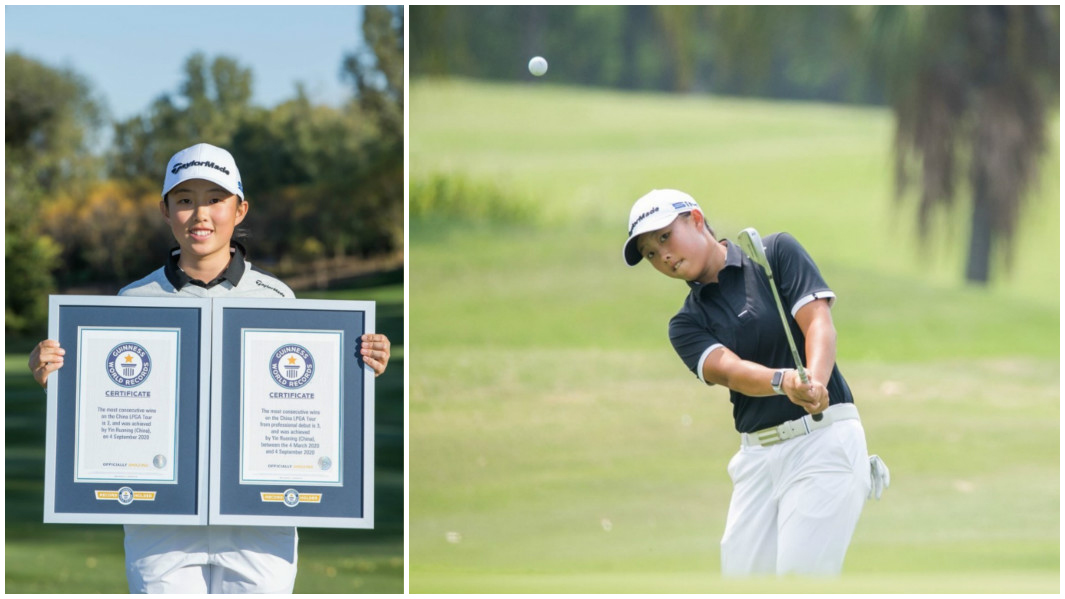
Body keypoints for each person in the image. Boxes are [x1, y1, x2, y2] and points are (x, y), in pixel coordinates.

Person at [28, 142, 393, 593]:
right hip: (161, 524)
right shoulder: (131, 302)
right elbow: (106, 404)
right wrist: (56, 377)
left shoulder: (278, 299)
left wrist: (361, 365)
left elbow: (308, 400)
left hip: (258, 525)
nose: (200, 214)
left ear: (240, 210)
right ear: (165, 211)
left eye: (215, 199)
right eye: (185, 200)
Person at [623, 188, 887, 577]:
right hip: (757, 461)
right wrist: (784, 382)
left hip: (822, 443)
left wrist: (815, 380)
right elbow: (730, 371)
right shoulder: (685, 324)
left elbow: (817, 321)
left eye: (665, 237)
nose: (661, 256)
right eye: (649, 253)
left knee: (800, 581)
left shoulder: (773, 254)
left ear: (696, 220)